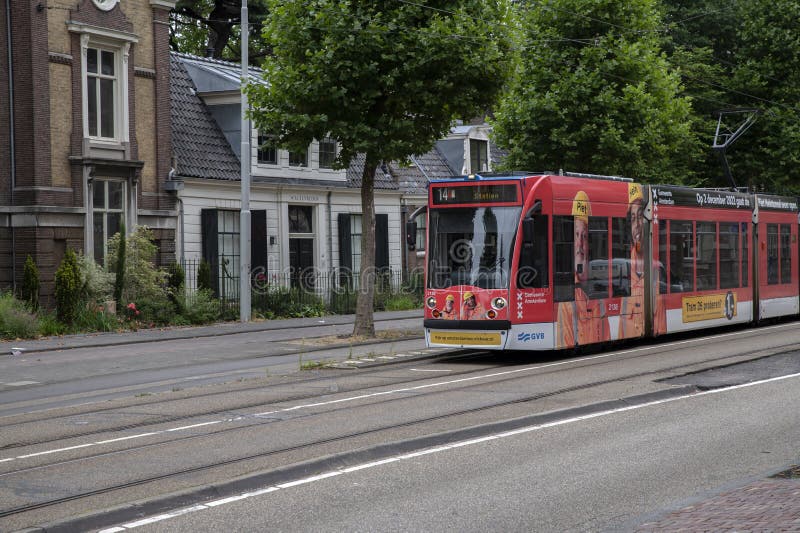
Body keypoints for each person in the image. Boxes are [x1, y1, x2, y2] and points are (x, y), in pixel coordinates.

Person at [557, 191, 610, 348]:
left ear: (589, 244)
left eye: (585, 237)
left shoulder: (600, 298)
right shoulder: (564, 304)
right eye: (577, 235)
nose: (580, 243)